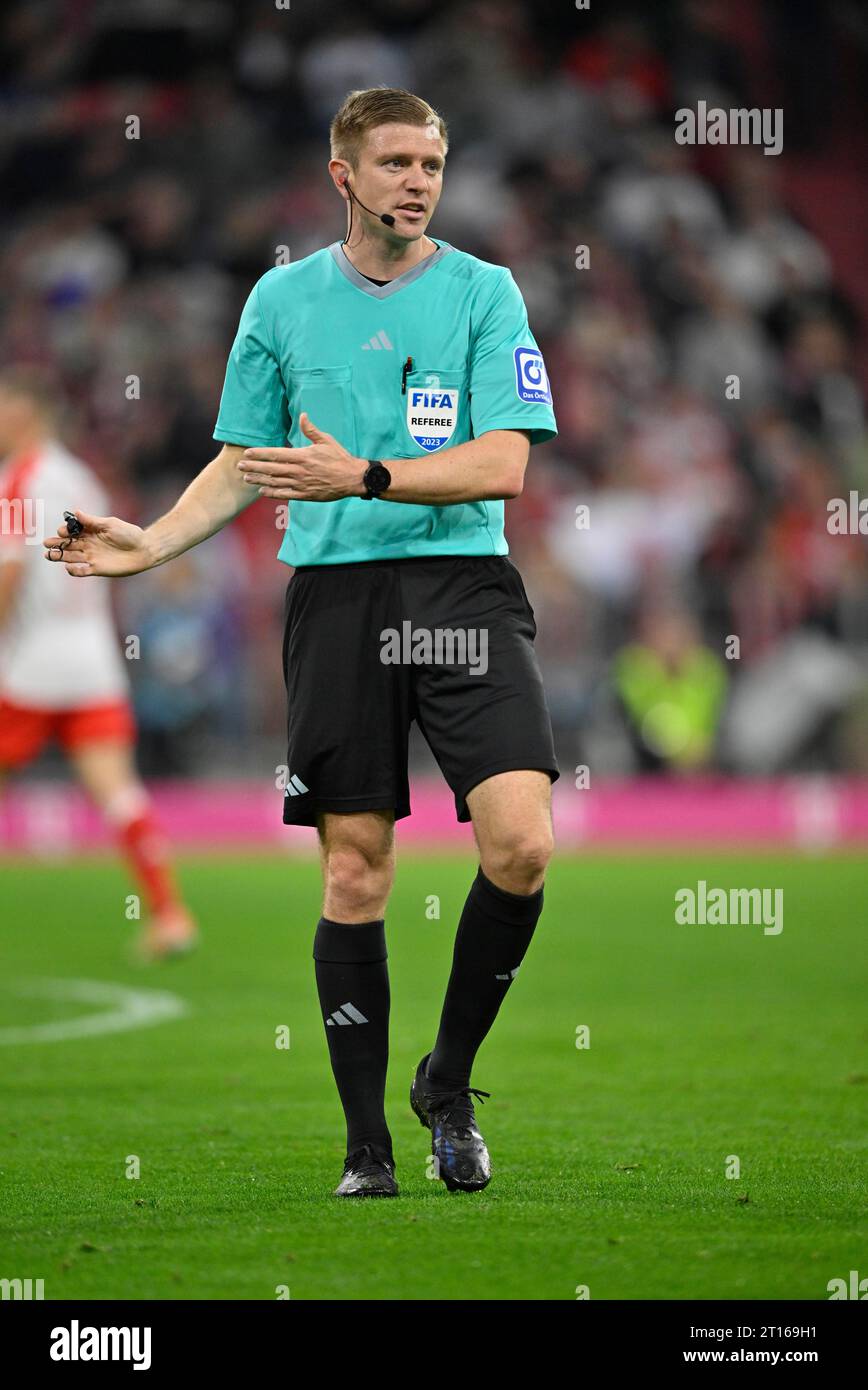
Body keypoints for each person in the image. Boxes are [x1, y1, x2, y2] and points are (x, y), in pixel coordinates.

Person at [44, 87, 559, 1198]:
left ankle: (449, 1082)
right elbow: (244, 458)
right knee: (355, 866)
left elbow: (506, 461)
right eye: (394, 163)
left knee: (519, 843)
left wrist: (365, 473)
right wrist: (149, 547)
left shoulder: (485, 291)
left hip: (462, 584)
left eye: (431, 162)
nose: (417, 181)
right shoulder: (279, 301)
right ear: (343, 175)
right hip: (335, 596)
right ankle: (365, 1145)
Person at [0, 367, 197, 960]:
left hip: (29, 666)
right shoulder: (83, 478)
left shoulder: (20, 480)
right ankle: (170, 915)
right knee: (119, 795)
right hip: (90, 662)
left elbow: (9, 574)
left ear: (29, 412)